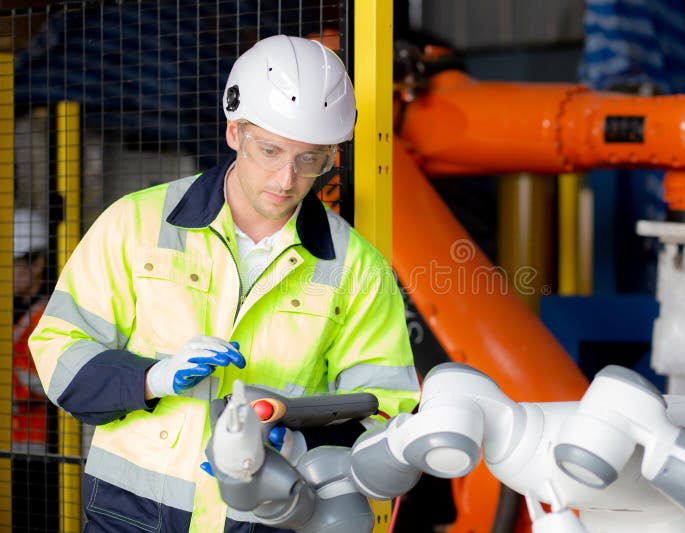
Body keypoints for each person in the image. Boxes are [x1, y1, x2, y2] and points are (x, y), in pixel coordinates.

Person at [29, 34, 420, 532]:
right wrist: (152, 378)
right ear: (234, 132)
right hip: (129, 516)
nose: (286, 179)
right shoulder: (135, 222)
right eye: (271, 150)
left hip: (266, 517)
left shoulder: (357, 267)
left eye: (311, 160)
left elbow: (385, 411)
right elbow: (60, 355)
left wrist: (299, 440)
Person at [12, 207, 59, 531]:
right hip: (15, 443)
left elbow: (50, 380)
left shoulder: (49, 314)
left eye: (13, 264)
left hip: (39, 448)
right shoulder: (18, 311)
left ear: (38, 263)